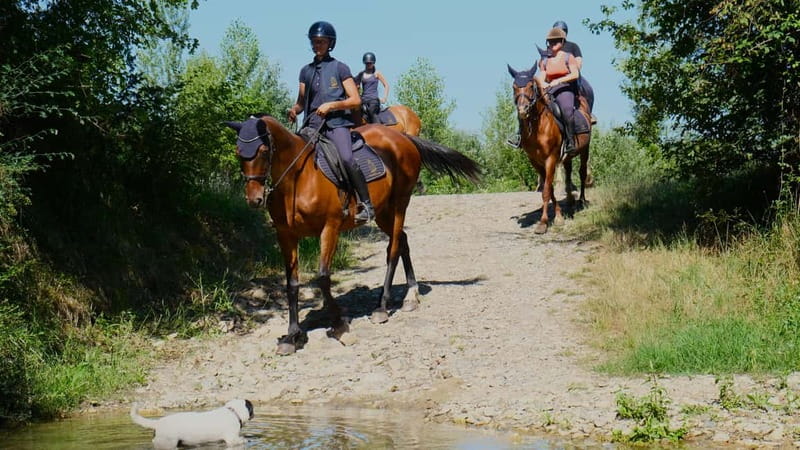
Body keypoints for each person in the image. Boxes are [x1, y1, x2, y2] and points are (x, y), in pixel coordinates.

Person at [287, 21, 374, 223]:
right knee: (294, 158)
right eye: (314, 42)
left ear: (330, 43)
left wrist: (331, 106)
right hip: (311, 126)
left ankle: (367, 205)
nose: (318, 45)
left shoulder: (340, 68)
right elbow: (301, 102)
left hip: (337, 125)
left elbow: (355, 100)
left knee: (346, 158)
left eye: (322, 42)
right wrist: (293, 110)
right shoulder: (305, 71)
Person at [534, 27, 581, 156]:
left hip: (565, 88)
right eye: (550, 42)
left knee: (567, 111)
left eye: (555, 41)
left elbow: (575, 74)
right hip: (549, 89)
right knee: (529, 106)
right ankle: (520, 136)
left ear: (562, 42)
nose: (552, 44)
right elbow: (542, 75)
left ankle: (570, 142)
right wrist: (542, 83)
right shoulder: (544, 60)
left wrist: (559, 81)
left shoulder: (568, 57)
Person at [552, 20, 594, 113]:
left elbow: (578, 62)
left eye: (562, 31)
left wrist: (569, 73)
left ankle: (588, 113)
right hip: (553, 78)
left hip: (571, 76)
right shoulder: (551, 47)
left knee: (588, 89)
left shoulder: (573, 46)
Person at [354, 52, 389, 124]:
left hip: (373, 100)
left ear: (373, 63)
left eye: (370, 63)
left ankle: (379, 128)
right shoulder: (361, 74)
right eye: (367, 63)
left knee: (371, 112)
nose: (368, 65)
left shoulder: (377, 73)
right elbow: (356, 85)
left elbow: (386, 85)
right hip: (363, 100)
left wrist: (384, 98)